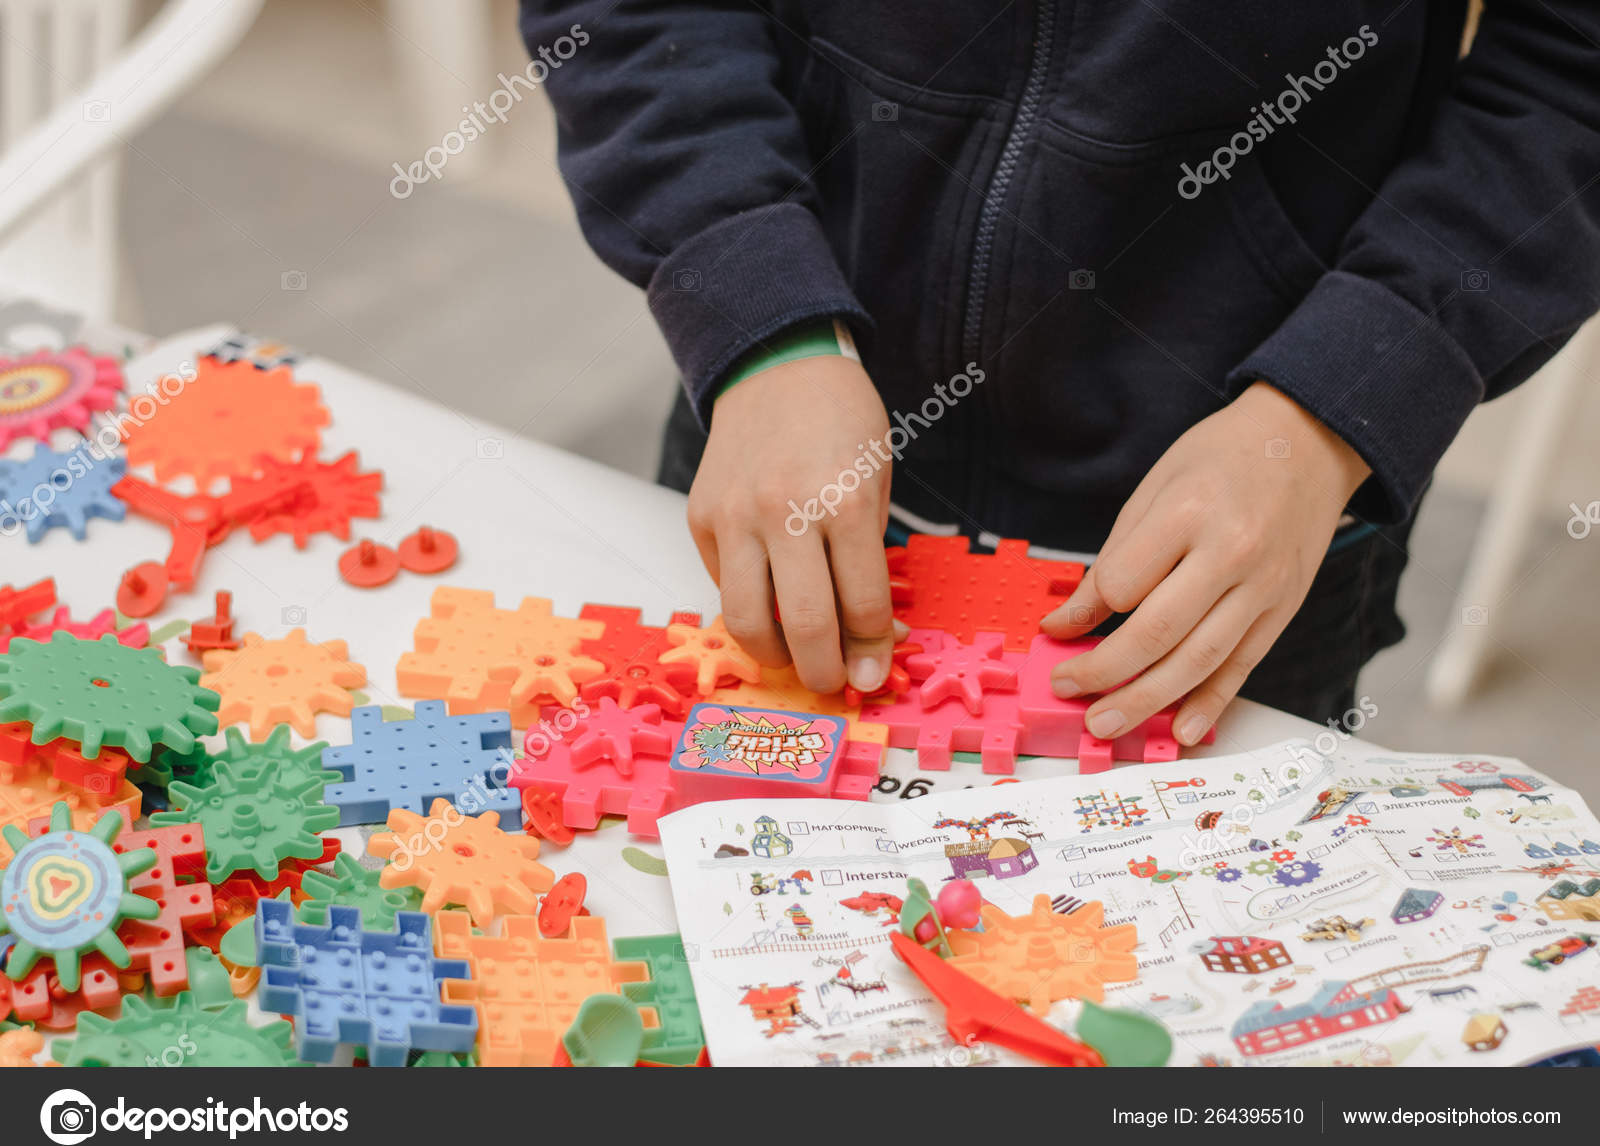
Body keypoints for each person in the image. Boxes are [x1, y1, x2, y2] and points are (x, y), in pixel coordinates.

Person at [521, 2, 1600, 745]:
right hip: (781, 423)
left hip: (1247, 494)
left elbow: (1573, 72)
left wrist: (1344, 394)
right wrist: (756, 313)